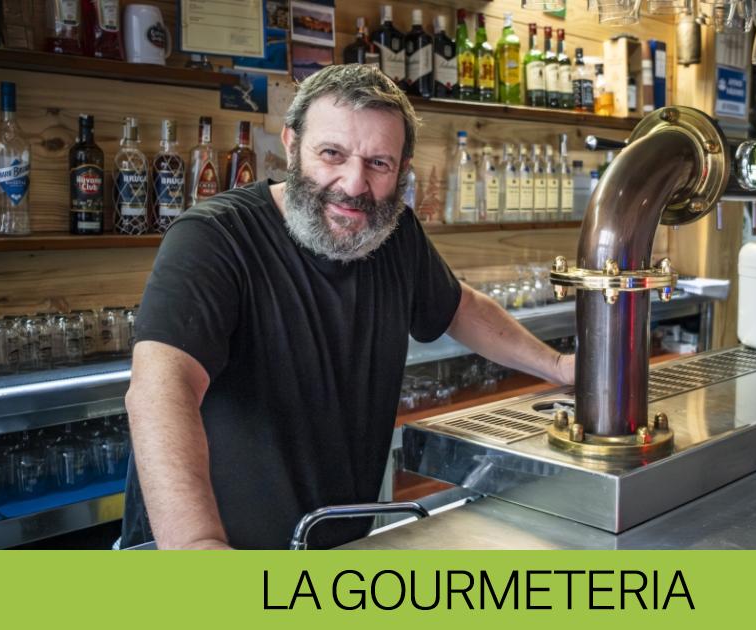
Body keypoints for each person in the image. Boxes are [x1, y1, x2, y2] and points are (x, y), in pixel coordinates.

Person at [121, 65, 575, 550]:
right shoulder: (215, 237)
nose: (354, 184)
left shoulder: (395, 234)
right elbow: (161, 388)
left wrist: (558, 365)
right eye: (332, 153)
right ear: (293, 146)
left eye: (378, 163)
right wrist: (196, 544)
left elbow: (459, 306)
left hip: (335, 544)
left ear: (401, 170)